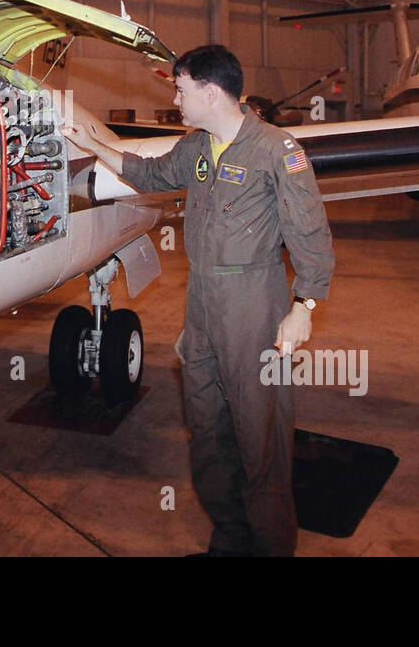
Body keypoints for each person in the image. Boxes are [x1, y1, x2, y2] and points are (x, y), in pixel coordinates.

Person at [61, 44, 334, 556]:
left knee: (261, 437)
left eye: (181, 90)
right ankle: (230, 540)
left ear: (211, 92)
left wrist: (305, 305)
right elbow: (152, 175)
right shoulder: (197, 146)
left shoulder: (277, 149)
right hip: (203, 301)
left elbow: (311, 234)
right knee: (207, 430)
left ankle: (271, 548)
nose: (175, 99)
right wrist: (93, 143)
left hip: (254, 302)